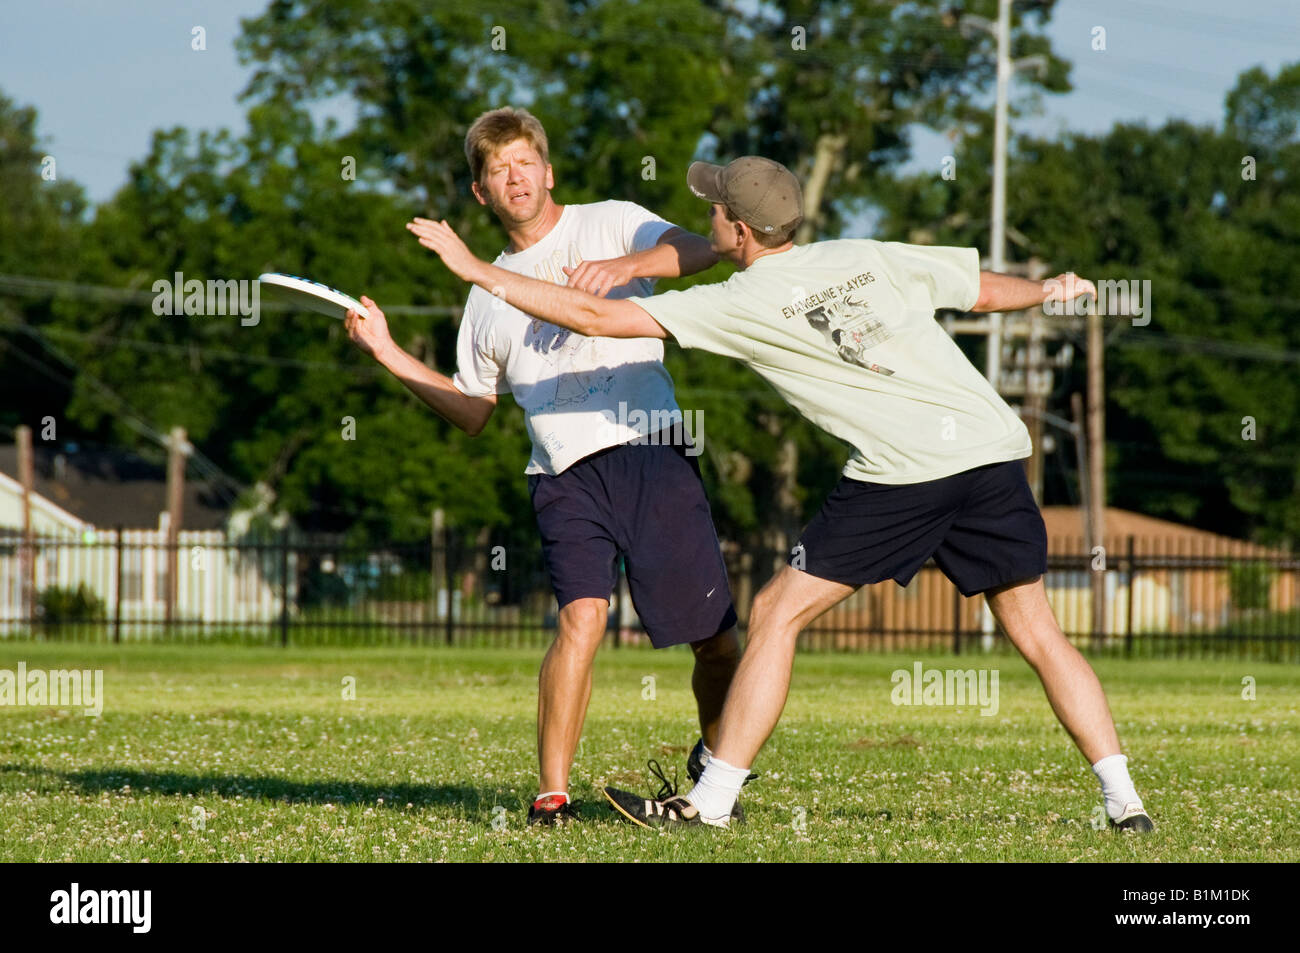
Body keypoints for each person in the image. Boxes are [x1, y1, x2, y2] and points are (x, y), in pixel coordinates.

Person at [406, 154, 1156, 835]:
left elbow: (600, 317)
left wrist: (479, 271)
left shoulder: (739, 300)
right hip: (992, 449)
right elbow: (980, 290)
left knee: (775, 611)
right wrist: (1049, 290)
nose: (704, 221)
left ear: (738, 229)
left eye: (712, 211)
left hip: (903, 471)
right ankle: (1125, 801)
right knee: (1037, 630)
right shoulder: (863, 254)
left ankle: (711, 801)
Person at [345, 107, 743, 826]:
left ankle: (713, 777)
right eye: (496, 169)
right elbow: (472, 410)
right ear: (481, 195)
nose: (513, 176)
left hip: (650, 450)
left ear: (548, 170)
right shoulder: (482, 294)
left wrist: (627, 266)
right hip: (562, 474)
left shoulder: (611, 221)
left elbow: (705, 252)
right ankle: (551, 795)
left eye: (524, 161)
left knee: (716, 640)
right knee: (581, 619)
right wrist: (388, 351)